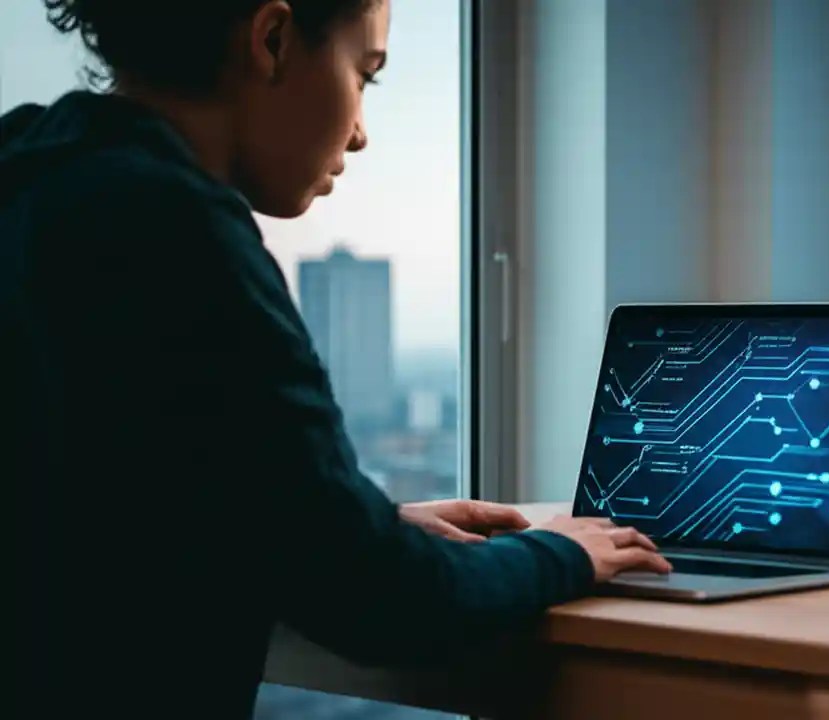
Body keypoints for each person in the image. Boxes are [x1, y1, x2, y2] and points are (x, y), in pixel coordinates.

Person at [1, 1, 670, 716]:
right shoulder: (176, 232)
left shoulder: (35, 176)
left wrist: (340, 522)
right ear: (274, 38)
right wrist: (563, 553)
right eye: (365, 73)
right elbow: (382, 601)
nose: (359, 133)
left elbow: (116, 520)